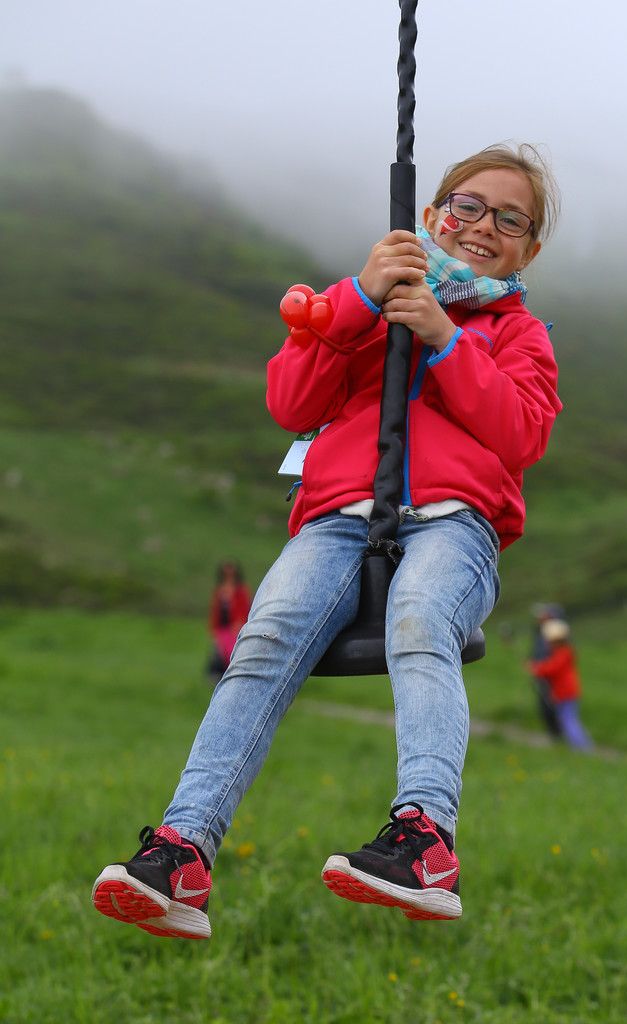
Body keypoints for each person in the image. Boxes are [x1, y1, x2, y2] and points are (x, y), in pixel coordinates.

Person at [92, 144, 562, 938]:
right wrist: (353, 302)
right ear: (429, 214)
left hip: (456, 523)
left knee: (420, 619)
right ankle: (182, 852)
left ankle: (424, 841)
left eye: (509, 219)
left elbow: (520, 434)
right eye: (467, 205)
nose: (483, 226)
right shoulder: (368, 308)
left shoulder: (518, 335)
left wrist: (445, 340)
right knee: (264, 637)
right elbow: (290, 398)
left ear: (530, 248)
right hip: (339, 515)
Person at [528, 619, 593, 750]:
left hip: (566, 693)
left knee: (569, 721)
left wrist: (536, 669)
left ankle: (583, 748)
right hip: (564, 693)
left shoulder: (564, 653)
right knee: (567, 720)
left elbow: (552, 668)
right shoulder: (563, 652)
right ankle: (579, 746)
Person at [206, 561, 252, 685]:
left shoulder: (240, 590)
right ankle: (217, 676)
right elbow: (215, 611)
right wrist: (214, 629)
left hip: (235, 627)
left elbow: (244, 607)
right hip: (222, 627)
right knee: (220, 652)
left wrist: (240, 623)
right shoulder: (219, 590)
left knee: (233, 652)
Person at [528, 602, 566, 738]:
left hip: (552, 679)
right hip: (541, 676)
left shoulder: (557, 635)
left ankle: (560, 735)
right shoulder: (540, 632)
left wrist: (540, 668)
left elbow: (556, 661)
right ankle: (555, 736)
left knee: (553, 707)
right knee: (544, 706)